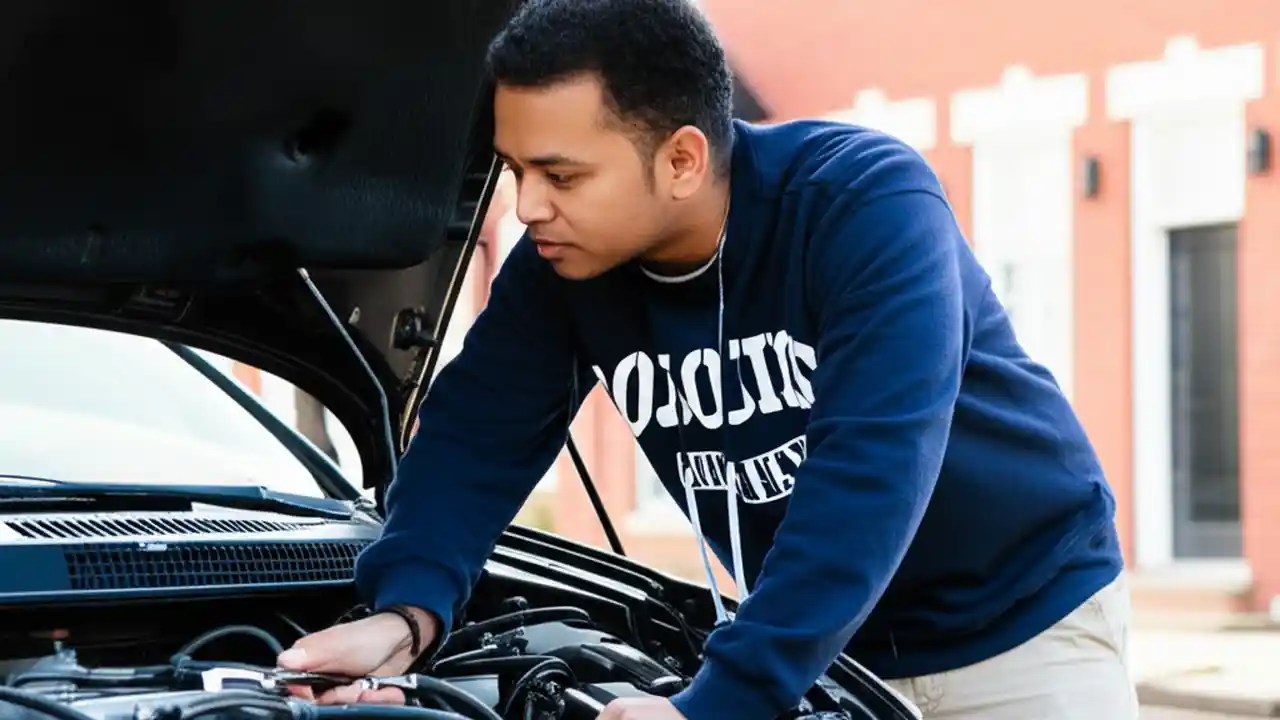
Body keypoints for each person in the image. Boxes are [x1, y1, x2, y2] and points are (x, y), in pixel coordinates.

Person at [275, 0, 1138, 718]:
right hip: (827, 655)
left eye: (561, 175)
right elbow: (476, 432)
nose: (528, 206)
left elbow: (870, 471)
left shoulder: (863, 203)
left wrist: (721, 701)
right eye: (514, 170)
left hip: (1025, 630)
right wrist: (406, 612)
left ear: (682, 159)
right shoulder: (564, 264)